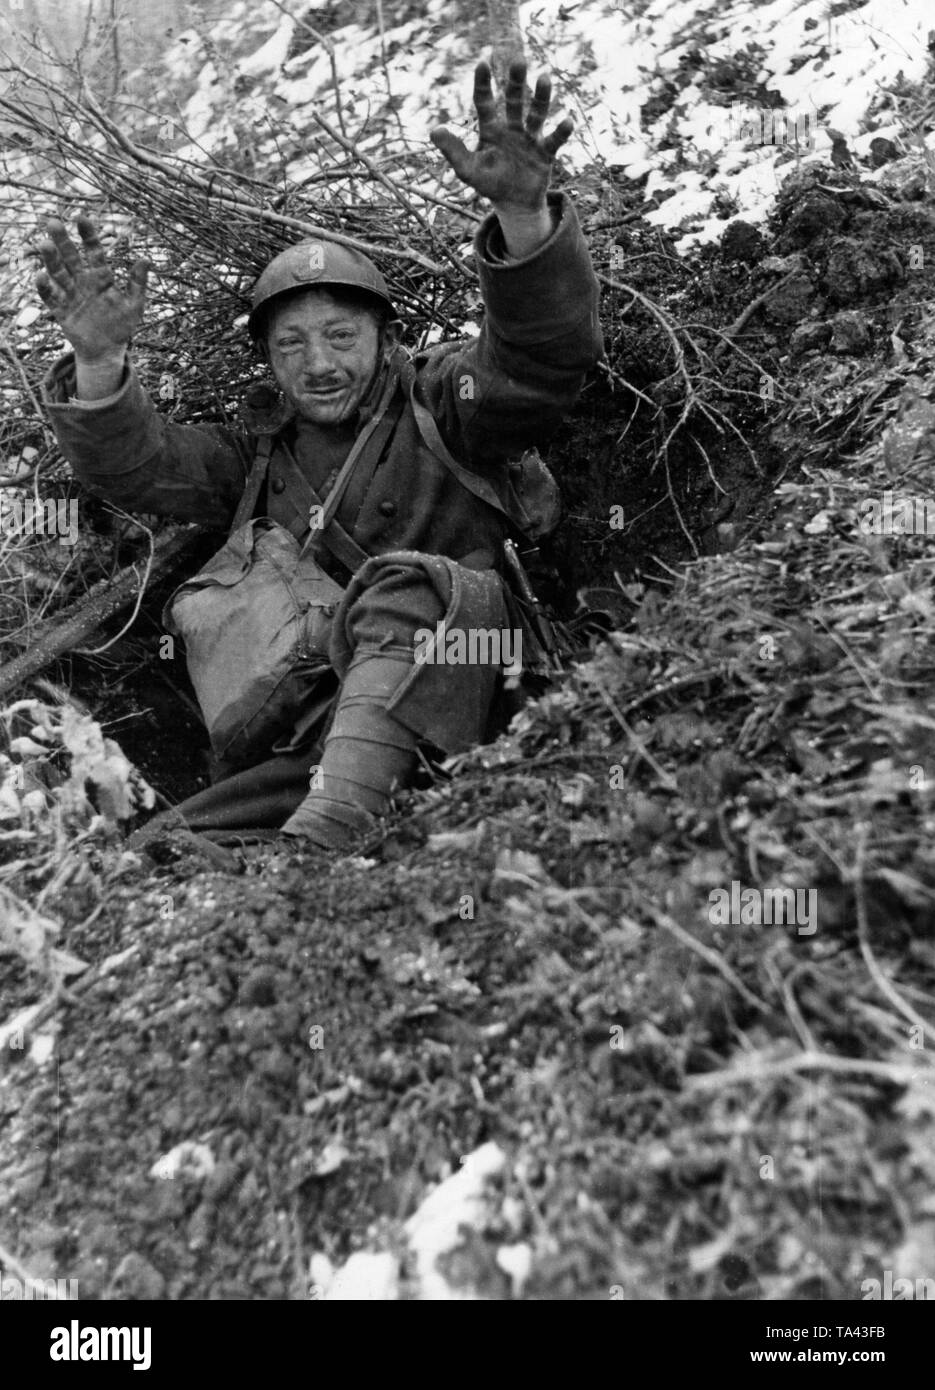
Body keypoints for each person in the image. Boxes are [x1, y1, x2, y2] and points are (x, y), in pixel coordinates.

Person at [38, 59, 602, 850]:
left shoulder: (447, 402)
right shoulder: (255, 460)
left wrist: (524, 218)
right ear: (268, 361)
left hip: (481, 682)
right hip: (322, 734)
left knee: (405, 584)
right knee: (160, 852)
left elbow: (544, 357)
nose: (320, 363)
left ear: (387, 339)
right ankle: (303, 845)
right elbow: (135, 465)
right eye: (293, 344)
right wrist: (98, 360)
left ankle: (325, 843)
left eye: (342, 336)